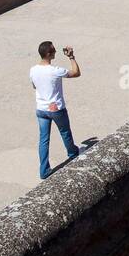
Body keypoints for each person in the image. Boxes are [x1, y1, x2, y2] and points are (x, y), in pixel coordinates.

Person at [30, 40, 82, 179]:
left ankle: (44, 171)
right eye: (53, 51)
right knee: (65, 132)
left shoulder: (33, 69)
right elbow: (76, 73)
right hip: (56, 109)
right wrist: (71, 57)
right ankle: (73, 155)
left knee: (43, 140)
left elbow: (35, 86)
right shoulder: (56, 71)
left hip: (41, 109)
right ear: (48, 54)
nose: (56, 52)